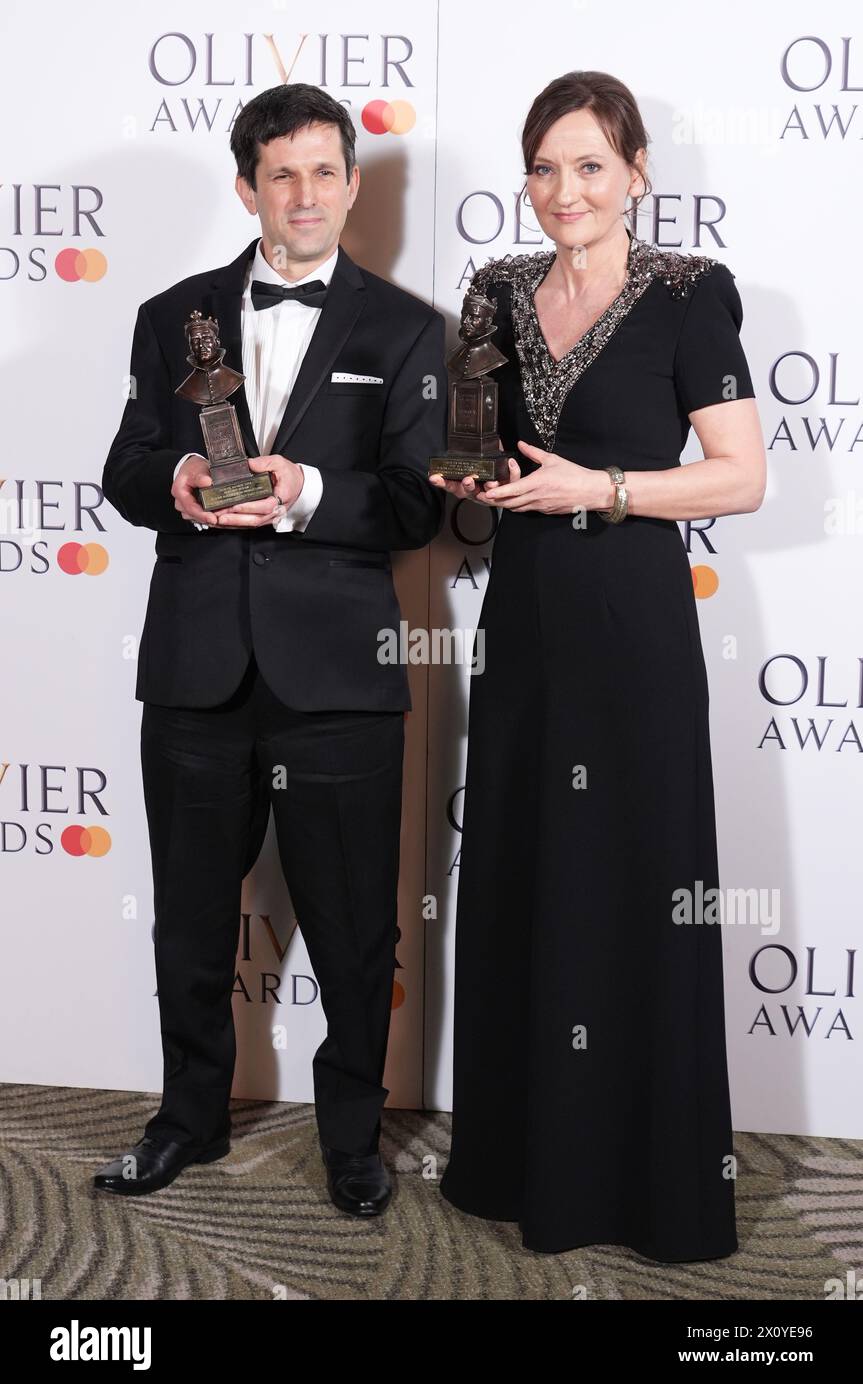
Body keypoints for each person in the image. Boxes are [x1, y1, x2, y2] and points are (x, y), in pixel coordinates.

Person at [430, 70, 766, 1262]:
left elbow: (738, 475)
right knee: (530, 877)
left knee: (629, 881)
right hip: (524, 623)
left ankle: (644, 1182)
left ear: (632, 172)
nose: (560, 190)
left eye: (585, 165)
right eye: (541, 167)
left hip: (632, 628)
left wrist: (603, 488)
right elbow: (469, 439)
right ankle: (522, 1162)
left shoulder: (690, 293)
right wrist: (461, 477)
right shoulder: (493, 290)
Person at [95, 83, 446, 1216]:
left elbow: (415, 507)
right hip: (196, 671)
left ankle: (352, 1138)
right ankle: (185, 1120)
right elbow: (126, 466)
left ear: (351, 183)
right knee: (191, 916)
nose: (303, 194)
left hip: (338, 677)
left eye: (323, 172)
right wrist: (179, 483)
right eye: (279, 173)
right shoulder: (171, 313)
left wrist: (304, 493)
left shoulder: (403, 331)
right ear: (247, 186)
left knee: (353, 930)